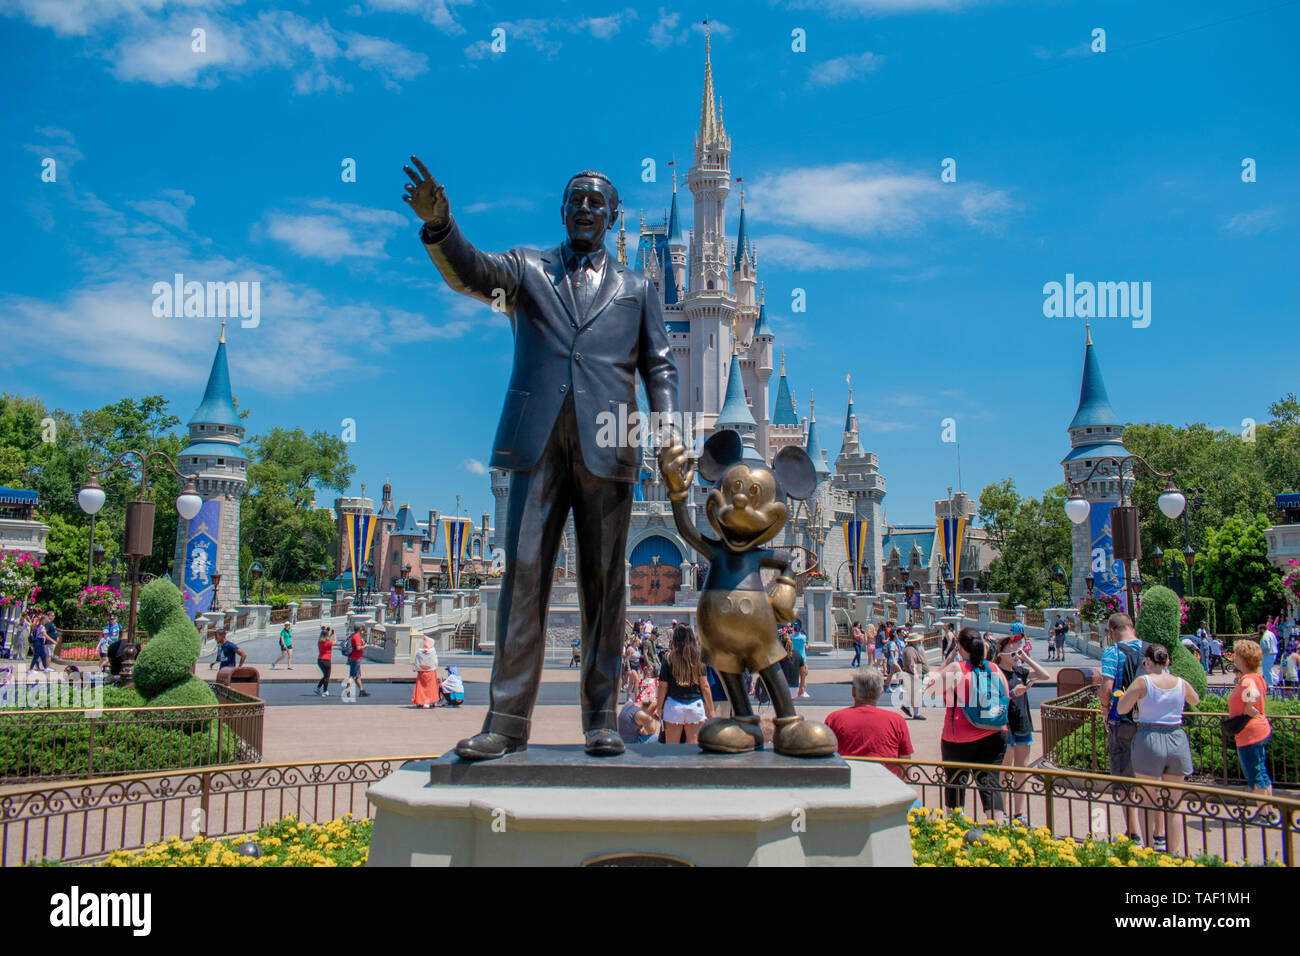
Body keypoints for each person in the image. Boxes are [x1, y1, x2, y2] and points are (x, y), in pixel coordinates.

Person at [407, 159, 680, 762]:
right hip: (535, 445)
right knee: (523, 578)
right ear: (563, 212)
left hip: (609, 446)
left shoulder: (638, 290)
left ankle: (603, 720)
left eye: (596, 201)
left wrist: (668, 435)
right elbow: (472, 274)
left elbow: (660, 366)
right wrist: (442, 228)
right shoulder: (529, 271)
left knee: (606, 588)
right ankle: (506, 721)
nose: (584, 207)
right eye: (574, 199)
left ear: (614, 216)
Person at [1116, 643, 1199, 853]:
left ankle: (1150, 851)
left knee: (1146, 799)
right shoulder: (1180, 682)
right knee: (1174, 803)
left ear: (1148, 662)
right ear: (1168, 662)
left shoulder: (1143, 681)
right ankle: (1172, 854)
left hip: (1149, 738)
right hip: (1176, 737)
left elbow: (1122, 708)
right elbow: (1195, 700)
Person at [924, 626, 1009, 822]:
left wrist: (946, 660)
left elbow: (931, 688)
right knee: (990, 785)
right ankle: (997, 831)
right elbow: (1006, 695)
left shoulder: (957, 668)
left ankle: (956, 828)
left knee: (955, 784)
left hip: (959, 737)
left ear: (960, 647)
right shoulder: (994, 668)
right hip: (995, 734)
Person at [1099, 612, 1145, 843]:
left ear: (1113, 631)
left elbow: (1107, 686)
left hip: (1122, 721)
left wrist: (1105, 710)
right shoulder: (1149, 649)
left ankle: (1133, 832)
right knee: (1147, 778)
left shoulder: (1113, 652)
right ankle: (1155, 835)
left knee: (1124, 778)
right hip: (1148, 721)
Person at [996, 630, 1050, 822]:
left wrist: (1025, 657)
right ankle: (1000, 813)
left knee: (1021, 771)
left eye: (1017, 652)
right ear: (1001, 654)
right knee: (1004, 772)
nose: (1015, 655)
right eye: (1012, 652)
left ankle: (1019, 814)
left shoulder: (1021, 671)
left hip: (1022, 724)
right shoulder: (996, 672)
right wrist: (1012, 694)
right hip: (1005, 725)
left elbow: (1045, 675)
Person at [825, 668, 914, 778]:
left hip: (849, 783)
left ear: (853, 692)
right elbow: (905, 761)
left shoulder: (834, 719)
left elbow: (826, 757)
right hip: (888, 785)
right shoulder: (897, 721)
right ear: (880, 692)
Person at [653, 624, 714, 744]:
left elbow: (662, 686)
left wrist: (659, 707)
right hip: (695, 705)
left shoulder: (669, 659)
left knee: (672, 748)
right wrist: (711, 710)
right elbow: (705, 686)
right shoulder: (698, 659)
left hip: (674, 705)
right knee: (693, 748)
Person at [1228, 639, 1272, 795]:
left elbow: (1252, 692)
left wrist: (1248, 707)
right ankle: (1269, 810)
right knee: (1262, 772)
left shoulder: (1247, 680)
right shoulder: (1257, 677)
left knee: (1256, 777)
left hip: (1249, 733)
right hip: (1260, 729)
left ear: (1242, 659)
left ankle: (1264, 813)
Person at [898, 630, 930, 720]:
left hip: (917, 673)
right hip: (913, 674)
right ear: (913, 641)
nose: (920, 641)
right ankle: (915, 713)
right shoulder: (910, 650)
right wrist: (915, 673)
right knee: (917, 694)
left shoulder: (914, 648)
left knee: (915, 694)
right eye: (918, 640)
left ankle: (907, 707)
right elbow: (911, 664)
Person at [411, 635, 441, 708]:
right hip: (431, 672)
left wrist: (416, 668)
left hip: (421, 672)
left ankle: (420, 701)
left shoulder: (419, 652)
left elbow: (416, 662)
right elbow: (435, 662)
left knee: (421, 687)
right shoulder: (433, 652)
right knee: (431, 688)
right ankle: (430, 701)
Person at [344, 627, 370, 698]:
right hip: (356, 658)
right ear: (360, 630)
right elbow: (358, 648)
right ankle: (347, 690)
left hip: (353, 657)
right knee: (353, 676)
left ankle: (361, 691)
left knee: (357, 676)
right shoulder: (357, 637)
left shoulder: (352, 635)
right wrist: (364, 646)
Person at [1257, 623, 1279, 690]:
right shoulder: (1271, 633)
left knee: (1266, 671)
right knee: (1270, 670)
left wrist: (1260, 652)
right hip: (1273, 653)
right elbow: (1276, 642)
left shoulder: (1265, 636)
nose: (1258, 631)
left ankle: (1270, 686)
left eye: (1259, 630)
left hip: (1268, 654)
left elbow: (1267, 647)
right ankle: (1278, 682)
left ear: (1262, 629)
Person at [790, 625, 810, 698]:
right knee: (803, 676)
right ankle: (803, 691)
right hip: (803, 658)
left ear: (794, 630)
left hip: (794, 658)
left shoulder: (792, 638)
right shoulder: (803, 637)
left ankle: (795, 691)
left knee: (794, 676)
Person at [316, 626, 335, 697]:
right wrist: (334, 635)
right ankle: (325, 691)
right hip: (327, 660)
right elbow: (335, 642)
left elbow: (327, 640)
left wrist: (330, 634)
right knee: (327, 676)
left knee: (325, 676)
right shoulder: (328, 643)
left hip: (320, 660)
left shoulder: (319, 642)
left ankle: (318, 688)